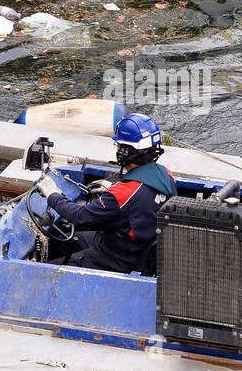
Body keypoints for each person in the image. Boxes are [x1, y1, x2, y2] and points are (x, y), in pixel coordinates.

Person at [37, 113, 175, 274]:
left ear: (126, 151)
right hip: (136, 248)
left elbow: (81, 217)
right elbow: (139, 200)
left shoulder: (123, 193)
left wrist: (53, 195)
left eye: (118, 146)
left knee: (47, 271)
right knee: (60, 240)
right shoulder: (167, 175)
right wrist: (112, 188)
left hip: (116, 258)